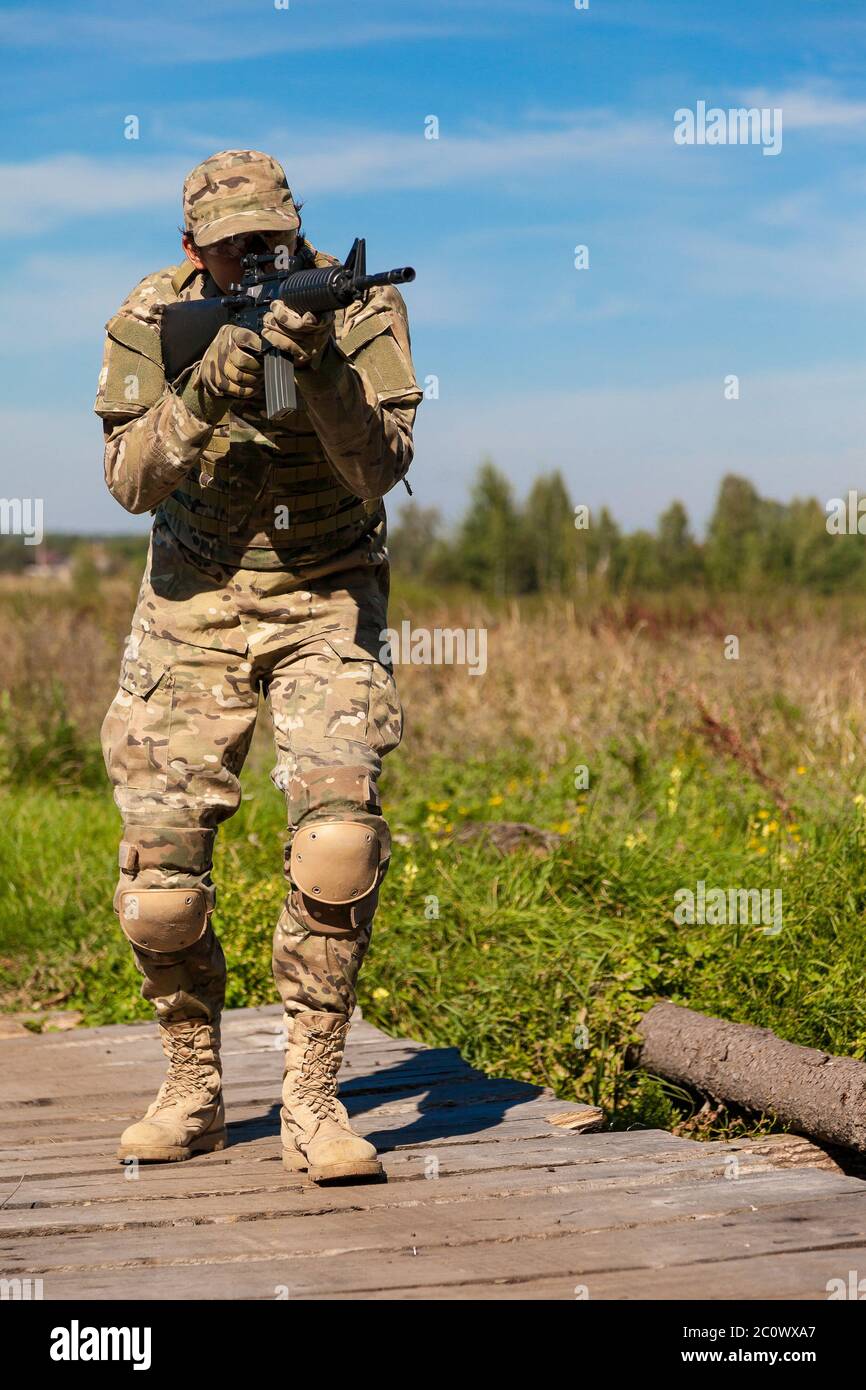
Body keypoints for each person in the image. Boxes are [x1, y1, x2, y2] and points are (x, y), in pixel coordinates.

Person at [94, 149, 422, 1184]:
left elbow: (380, 467)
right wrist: (202, 391)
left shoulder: (352, 304)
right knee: (159, 887)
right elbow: (129, 483)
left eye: (270, 238)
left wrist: (317, 365)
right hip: (191, 599)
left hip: (325, 590)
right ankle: (192, 1086)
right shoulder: (152, 312)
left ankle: (312, 1099)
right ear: (191, 248)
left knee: (337, 840)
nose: (256, 258)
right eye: (232, 247)